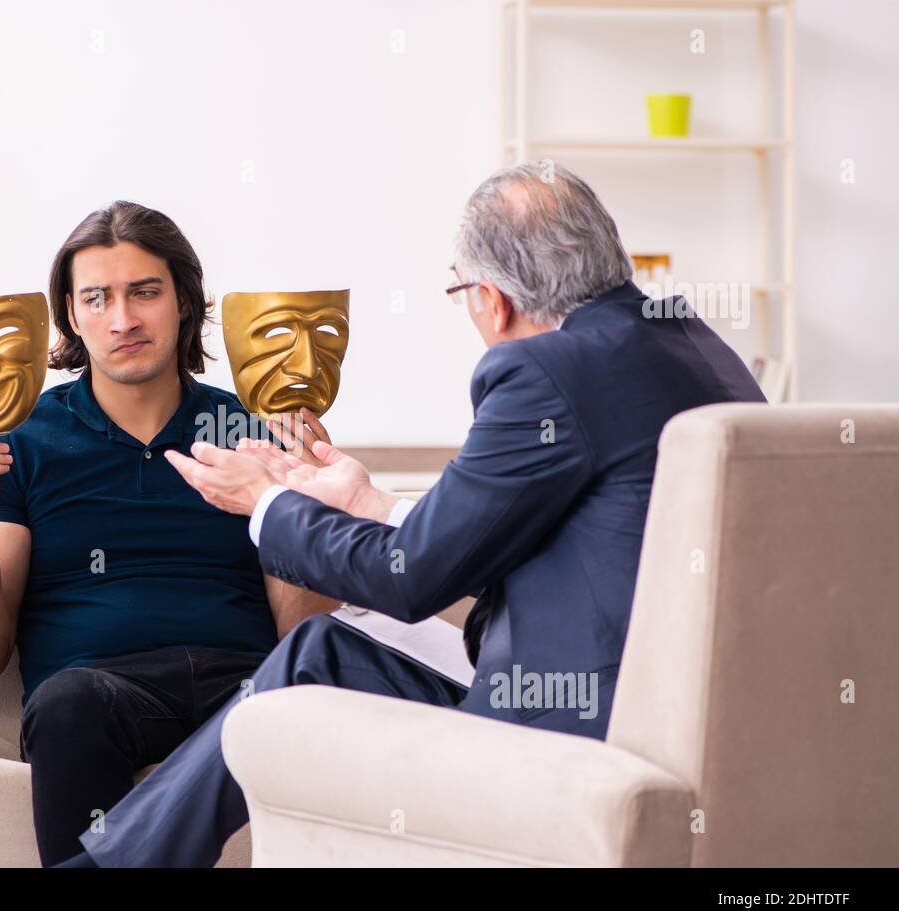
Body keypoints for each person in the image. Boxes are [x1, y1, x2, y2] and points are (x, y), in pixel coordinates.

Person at [58, 162, 766, 867]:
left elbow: (409, 580)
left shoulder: (544, 372)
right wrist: (368, 504)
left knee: (313, 656)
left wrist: (266, 503)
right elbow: (514, 528)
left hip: (566, 729)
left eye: (461, 293)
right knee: (320, 651)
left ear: (492, 298)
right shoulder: (695, 347)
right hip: (670, 712)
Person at [0, 201, 334, 866]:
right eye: (98, 297)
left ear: (184, 302)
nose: (123, 319)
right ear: (70, 314)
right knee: (67, 704)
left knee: (303, 693)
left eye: (145, 292)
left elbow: (304, 636)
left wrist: (300, 506)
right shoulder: (21, 441)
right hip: (97, 694)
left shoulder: (252, 429)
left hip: (243, 688)